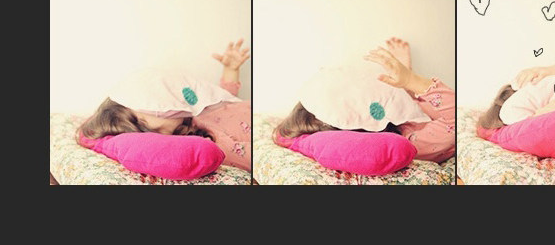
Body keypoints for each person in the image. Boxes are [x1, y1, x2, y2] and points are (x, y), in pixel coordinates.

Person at [77, 39, 252, 172]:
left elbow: (223, 102)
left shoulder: (191, 112)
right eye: (141, 123)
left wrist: (231, 71)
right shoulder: (210, 142)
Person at [274, 37, 455, 164]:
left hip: (415, 107)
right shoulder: (412, 140)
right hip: (435, 118)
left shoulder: (397, 115)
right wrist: (411, 80)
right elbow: (455, 120)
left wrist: (405, 82)